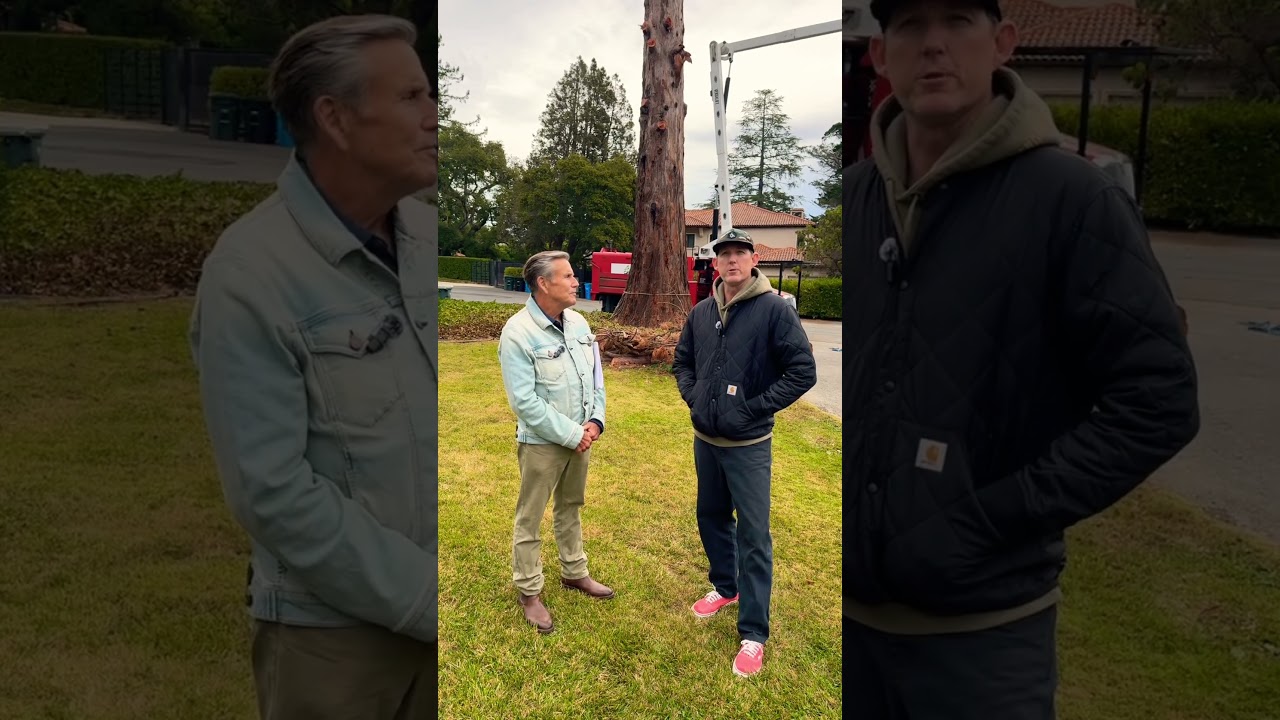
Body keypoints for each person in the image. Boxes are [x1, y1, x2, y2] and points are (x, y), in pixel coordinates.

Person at [843, 0, 1200, 717]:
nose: (934, 45)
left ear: (1003, 43)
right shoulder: (853, 197)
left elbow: (1157, 400)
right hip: (845, 626)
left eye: (958, 20)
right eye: (910, 26)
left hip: (983, 642)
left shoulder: (1073, 201)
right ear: (881, 55)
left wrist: (990, 521)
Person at [189, 14, 438, 720]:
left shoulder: (425, 232)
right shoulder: (250, 273)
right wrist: (428, 596)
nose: (434, 116)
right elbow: (270, 491)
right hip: (332, 641)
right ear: (335, 118)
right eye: (411, 97)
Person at [672, 229, 818, 678]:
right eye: (724, 254)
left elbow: (802, 372)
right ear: (715, 263)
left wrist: (752, 409)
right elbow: (682, 362)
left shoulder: (775, 310)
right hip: (706, 440)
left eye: (740, 253)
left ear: (754, 260)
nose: (731, 260)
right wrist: (696, 399)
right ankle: (725, 587)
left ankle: (753, 633)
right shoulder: (701, 312)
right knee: (711, 516)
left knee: (754, 537)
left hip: (749, 445)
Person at [498, 250, 612, 634]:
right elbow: (524, 402)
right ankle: (529, 591)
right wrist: (572, 434)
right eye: (567, 276)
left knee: (571, 506)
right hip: (543, 443)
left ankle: (574, 572)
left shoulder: (579, 323)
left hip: (582, 437)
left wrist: (595, 420)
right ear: (543, 284)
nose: (576, 282)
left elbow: (596, 378)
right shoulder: (518, 332)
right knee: (530, 516)